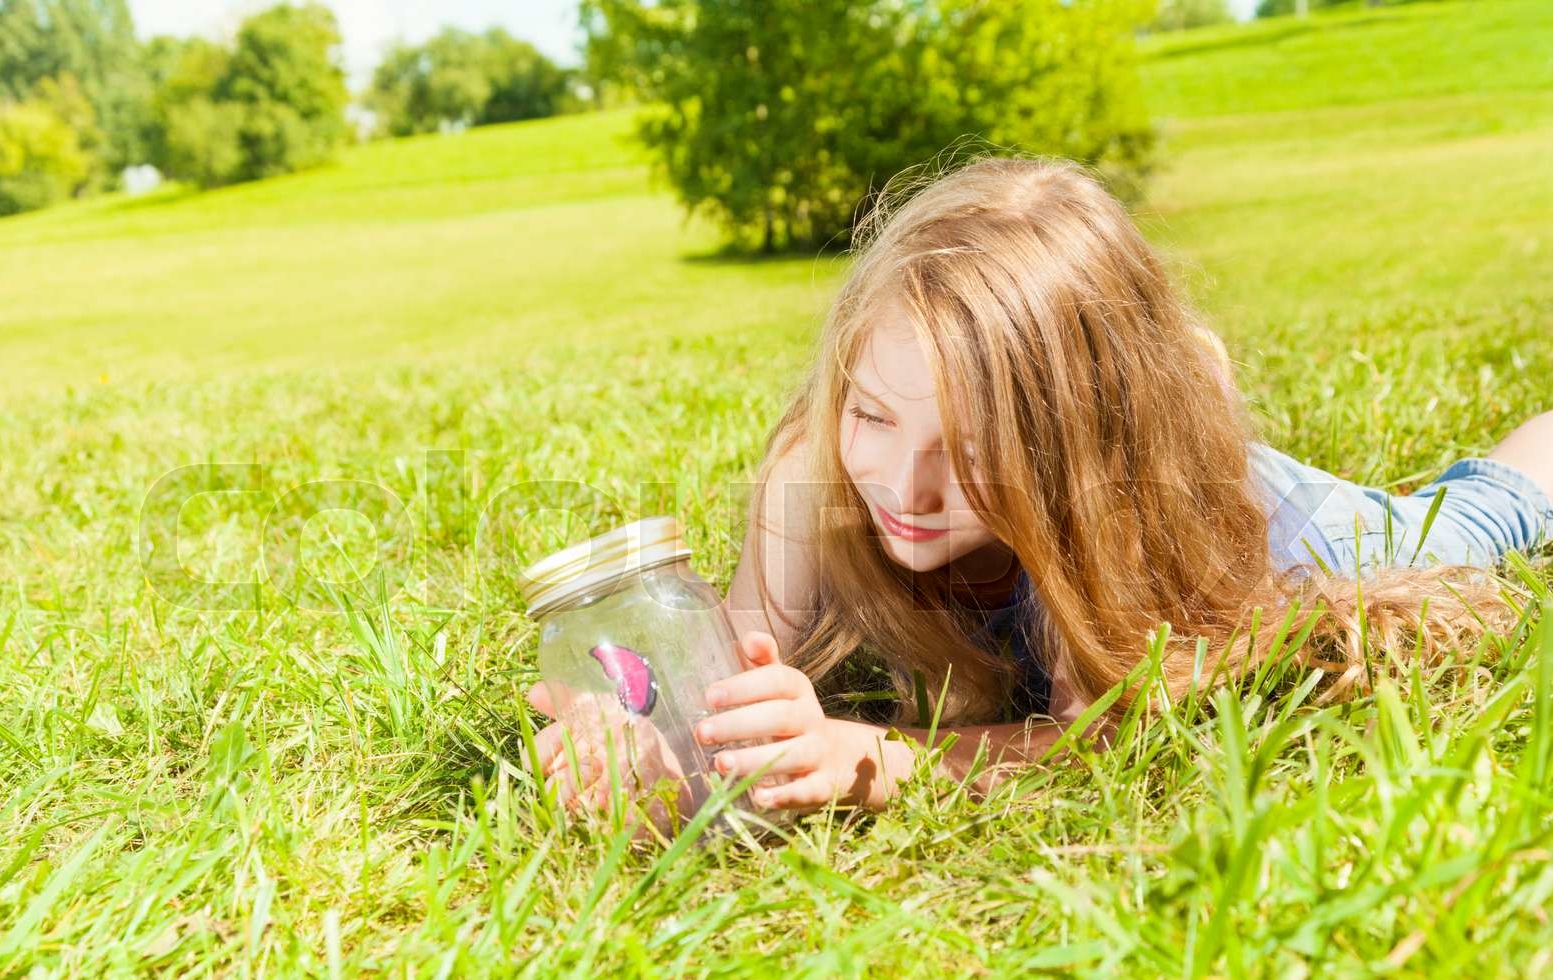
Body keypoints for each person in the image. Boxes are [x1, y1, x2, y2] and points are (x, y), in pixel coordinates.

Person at [527, 155, 1553, 824]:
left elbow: (1090, 740)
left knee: (1467, 522)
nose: (903, 484)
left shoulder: (1122, 502)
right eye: (875, 414)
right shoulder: (815, 471)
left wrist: (866, 754)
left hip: (1257, 513)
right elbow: (730, 673)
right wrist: (656, 751)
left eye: (973, 446)